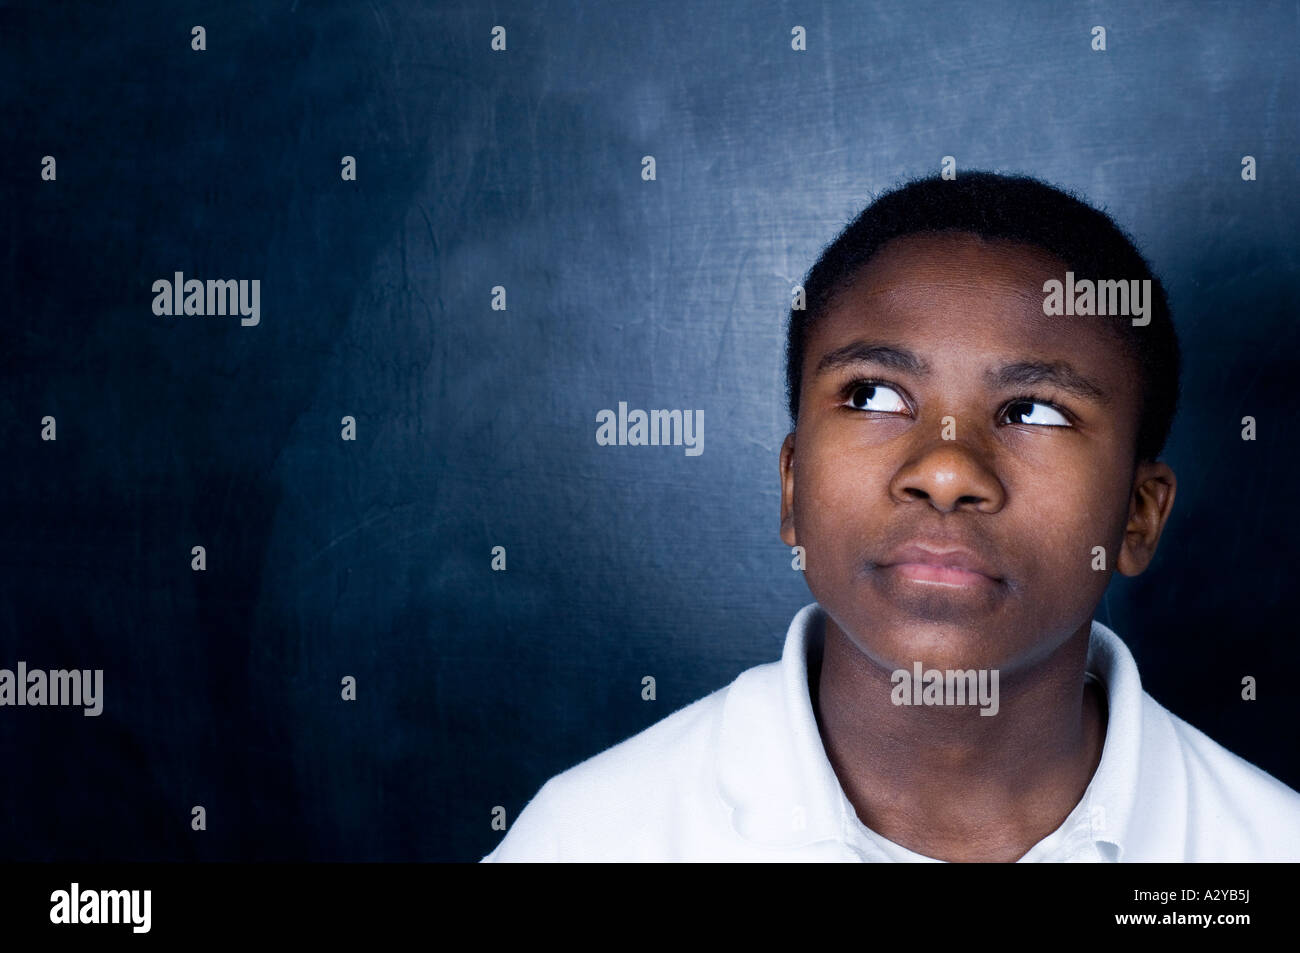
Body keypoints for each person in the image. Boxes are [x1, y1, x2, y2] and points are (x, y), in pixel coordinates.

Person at [482, 172, 1300, 862]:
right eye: (873, 395)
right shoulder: (592, 838)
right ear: (793, 484)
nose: (945, 469)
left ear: (1138, 515)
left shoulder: (1262, 846)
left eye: (1037, 410)